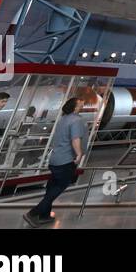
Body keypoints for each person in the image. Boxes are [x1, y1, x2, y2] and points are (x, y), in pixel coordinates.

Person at [24, 96, 86, 228]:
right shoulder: (77, 120)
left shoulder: (63, 119)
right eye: (81, 102)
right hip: (66, 159)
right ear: (75, 106)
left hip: (55, 158)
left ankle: (45, 215)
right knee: (61, 186)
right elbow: (76, 139)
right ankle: (34, 213)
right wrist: (79, 154)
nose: (83, 103)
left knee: (52, 186)